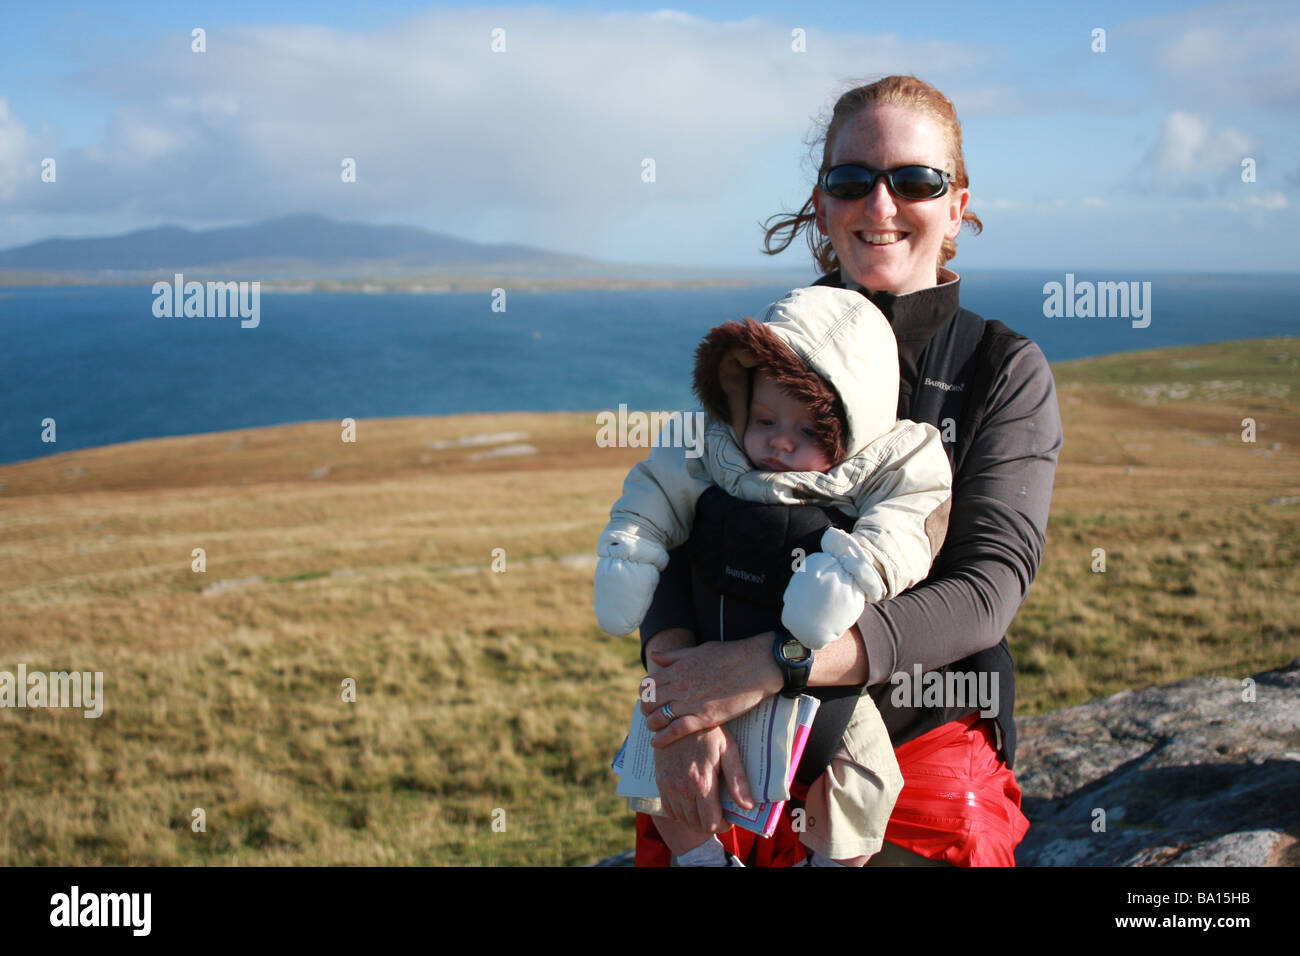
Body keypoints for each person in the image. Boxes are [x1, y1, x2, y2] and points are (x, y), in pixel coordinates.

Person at [634, 75, 1063, 867]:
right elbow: (678, 520)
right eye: (851, 179)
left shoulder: (1003, 370)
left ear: (958, 203)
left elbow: (987, 588)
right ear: (822, 202)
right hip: (734, 715)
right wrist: (676, 703)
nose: (881, 203)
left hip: (921, 723)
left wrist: (771, 664)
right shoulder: (770, 350)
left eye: (916, 180)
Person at [594, 286, 952, 864]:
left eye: (810, 431)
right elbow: (656, 488)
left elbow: (910, 518)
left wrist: (853, 573)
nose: (781, 441)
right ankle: (706, 860)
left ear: (852, 427)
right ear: (739, 406)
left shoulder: (877, 468)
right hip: (705, 651)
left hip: (823, 678)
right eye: (764, 420)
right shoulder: (716, 447)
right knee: (653, 773)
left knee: (868, 777)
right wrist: (629, 553)